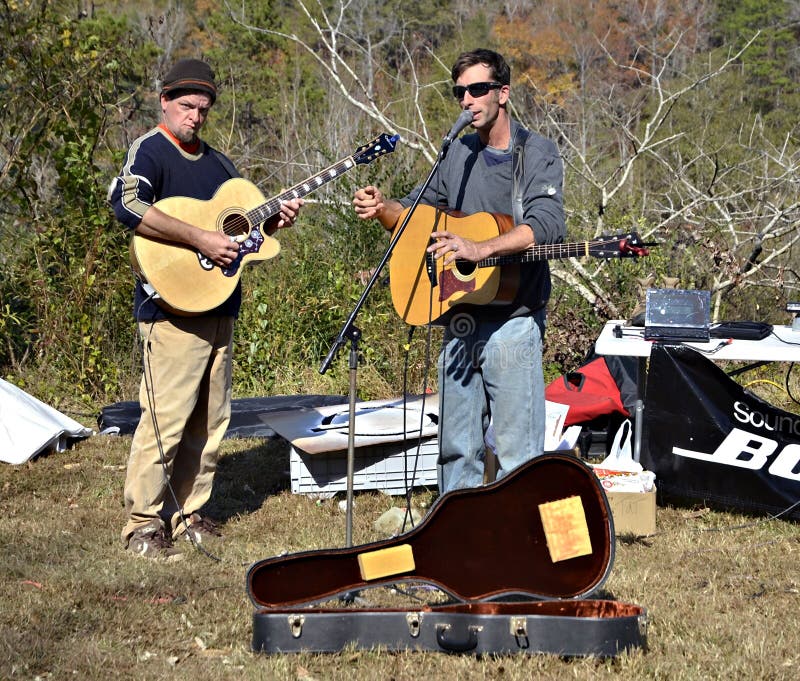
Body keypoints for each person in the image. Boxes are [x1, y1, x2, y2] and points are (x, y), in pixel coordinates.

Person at [109, 58, 303, 558]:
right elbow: (127, 206)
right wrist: (199, 236)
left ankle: (189, 510)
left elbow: (241, 238)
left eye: (203, 108)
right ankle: (143, 522)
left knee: (211, 418)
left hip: (219, 304)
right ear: (164, 102)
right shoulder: (149, 151)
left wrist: (274, 224)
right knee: (165, 418)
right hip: (171, 310)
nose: (195, 116)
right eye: (187, 106)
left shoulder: (219, 165)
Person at [353, 49, 566, 492]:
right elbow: (418, 211)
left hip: (514, 320)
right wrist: (384, 208)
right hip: (460, 315)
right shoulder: (458, 153)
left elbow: (546, 226)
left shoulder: (536, 153)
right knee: (455, 446)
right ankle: (456, 538)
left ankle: (517, 542)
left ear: (502, 93)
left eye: (478, 89)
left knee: (516, 452)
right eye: (460, 92)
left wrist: (480, 248)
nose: (467, 100)